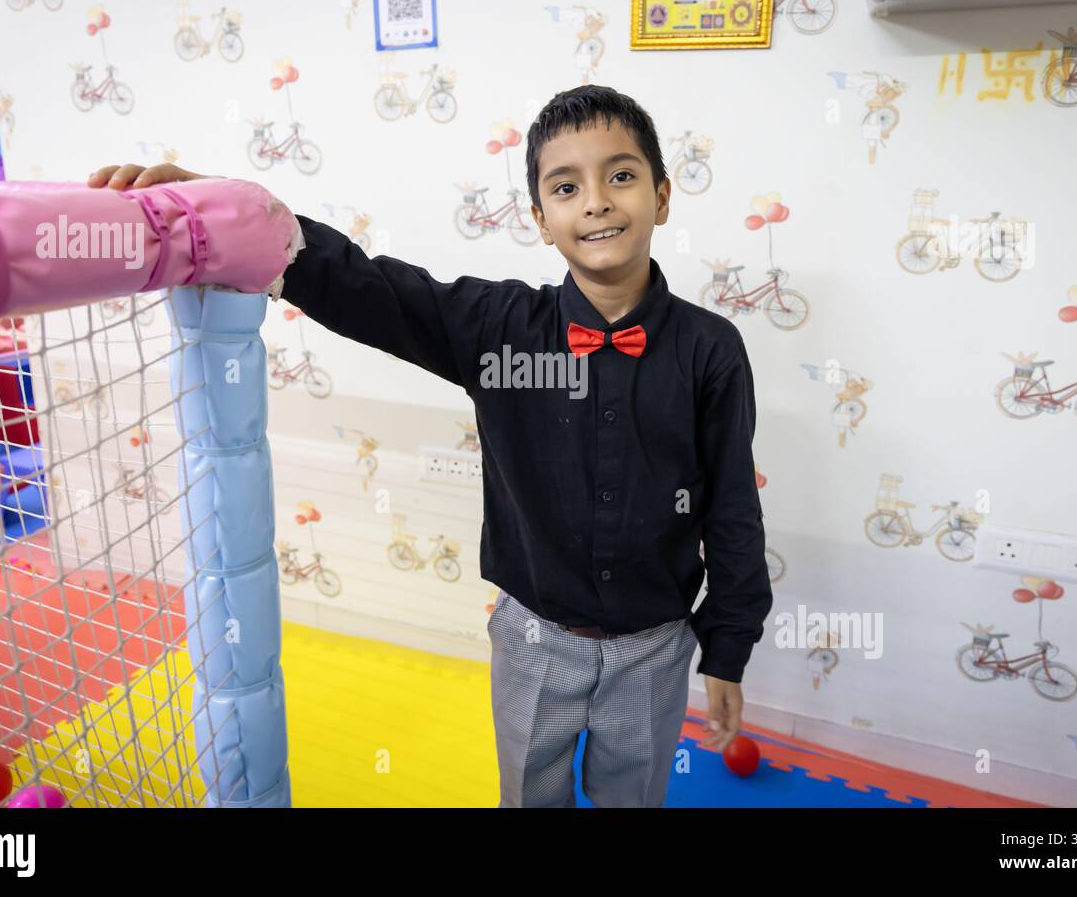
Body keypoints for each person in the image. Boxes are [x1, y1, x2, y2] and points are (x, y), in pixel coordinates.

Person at [88, 83, 773, 807]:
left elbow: (732, 507)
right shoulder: (498, 327)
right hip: (533, 642)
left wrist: (727, 648)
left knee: (631, 800)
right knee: (528, 797)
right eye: (568, 186)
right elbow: (374, 291)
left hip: (656, 647)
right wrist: (238, 214)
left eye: (622, 176)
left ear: (663, 197)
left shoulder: (711, 351)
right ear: (542, 220)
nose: (598, 201)